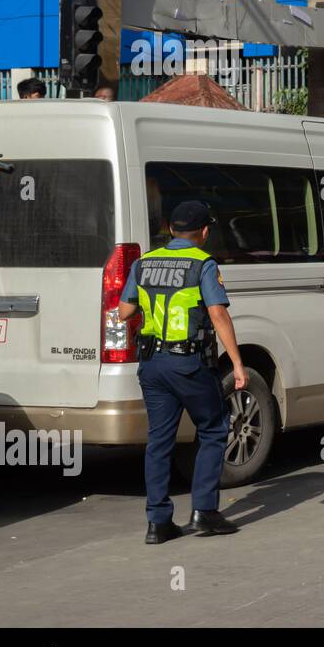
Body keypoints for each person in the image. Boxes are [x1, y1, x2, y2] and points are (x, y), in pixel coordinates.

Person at [114, 201, 246, 543]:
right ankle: (205, 512)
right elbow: (218, 315)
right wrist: (237, 362)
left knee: (159, 439)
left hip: (152, 364)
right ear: (203, 232)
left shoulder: (144, 263)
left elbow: (124, 311)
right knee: (215, 428)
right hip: (189, 365)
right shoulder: (203, 263)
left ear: (170, 229)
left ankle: (158, 523)